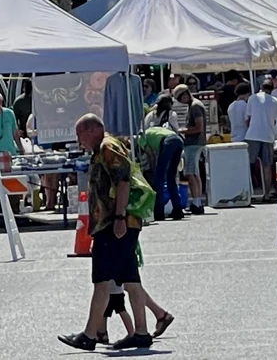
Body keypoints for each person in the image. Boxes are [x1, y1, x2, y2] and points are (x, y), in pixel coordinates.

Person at [58, 114, 153, 350]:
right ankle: (140, 332)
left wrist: (119, 218)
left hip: (114, 225)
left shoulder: (108, 147)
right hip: (115, 224)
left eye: (80, 135)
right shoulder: (102, 150)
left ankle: (90, 335)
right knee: (130, 279)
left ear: (91, 130)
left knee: (101, 280)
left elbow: (123, 182)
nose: (79, 141)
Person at [137, 118, 184, 221]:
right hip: (178, 140)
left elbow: (151, 156)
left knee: (159, 180)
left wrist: (154, 171)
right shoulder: (153, 130)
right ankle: (178, 208)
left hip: (167, 143)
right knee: (171, 177)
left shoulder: (141, 138)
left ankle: (159, 212)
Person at [245, 78, 277, 202]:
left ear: (261, 87)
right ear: (272, 89)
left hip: (252, 135)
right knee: (267, 166)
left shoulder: (252, 98)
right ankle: (266, 194)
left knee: (249, 164)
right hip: (268, 136)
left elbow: (247, 119)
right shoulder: (276, 101)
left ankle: (248, 193)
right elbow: (276, 120)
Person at [174, 84, 207, 215]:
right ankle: (197, 202)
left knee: (190, 173)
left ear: (185, 94)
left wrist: (183, 130)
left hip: (193, 144)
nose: (180, 101)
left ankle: (196, 203)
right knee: (195, 173)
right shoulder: (193, 106)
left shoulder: (195, 106)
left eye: (180, 98)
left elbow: (199, 127)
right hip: (195, 143)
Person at [98, 281, 135, 346]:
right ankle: (102, 333)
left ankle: (131, 333)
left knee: (105, 311)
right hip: (117, 289)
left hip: (111, 290)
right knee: (119, 310)